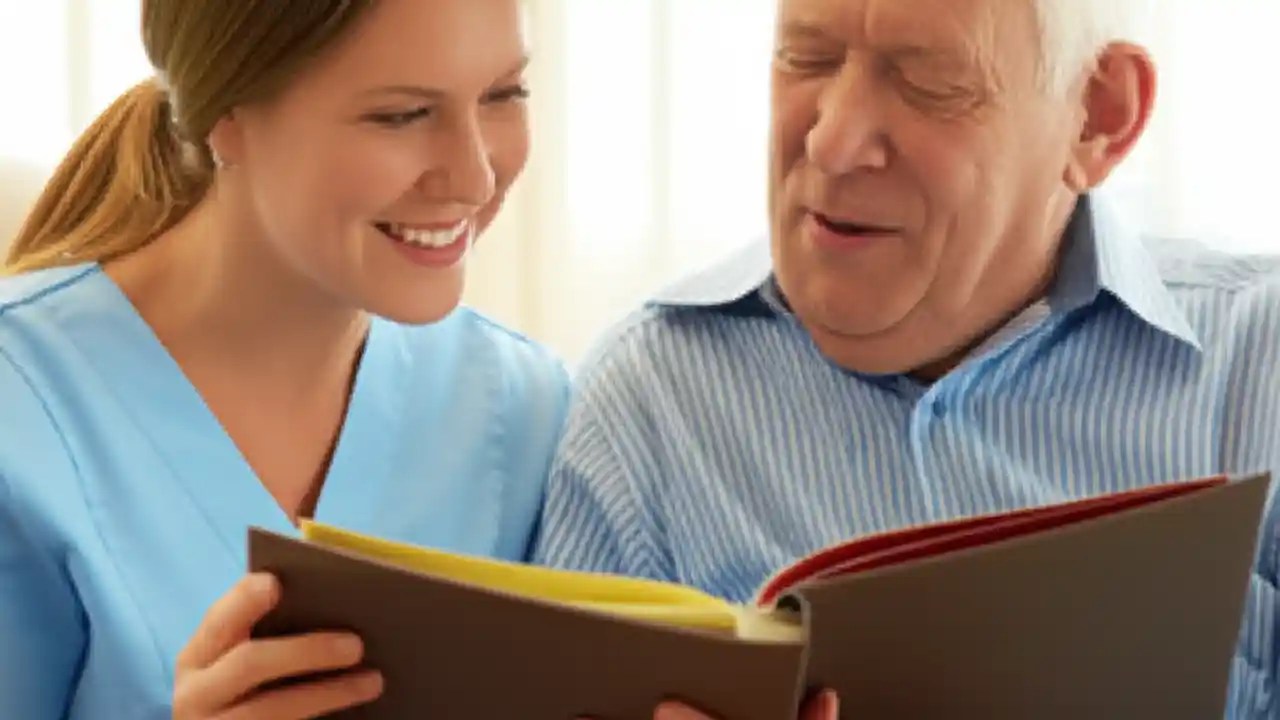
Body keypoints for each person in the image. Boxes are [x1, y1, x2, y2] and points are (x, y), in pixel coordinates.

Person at [532, 0, 1280, 717]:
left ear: (1098, 118)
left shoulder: (1260, 363)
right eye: (807, 57)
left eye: (929, 83)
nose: (832, 140)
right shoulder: (648, 404)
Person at [0, 0, 568, 717]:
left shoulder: (527, 415)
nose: (475, 177)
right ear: (226, 116)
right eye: (400, 116)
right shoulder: (22, 414)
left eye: (502, 95)